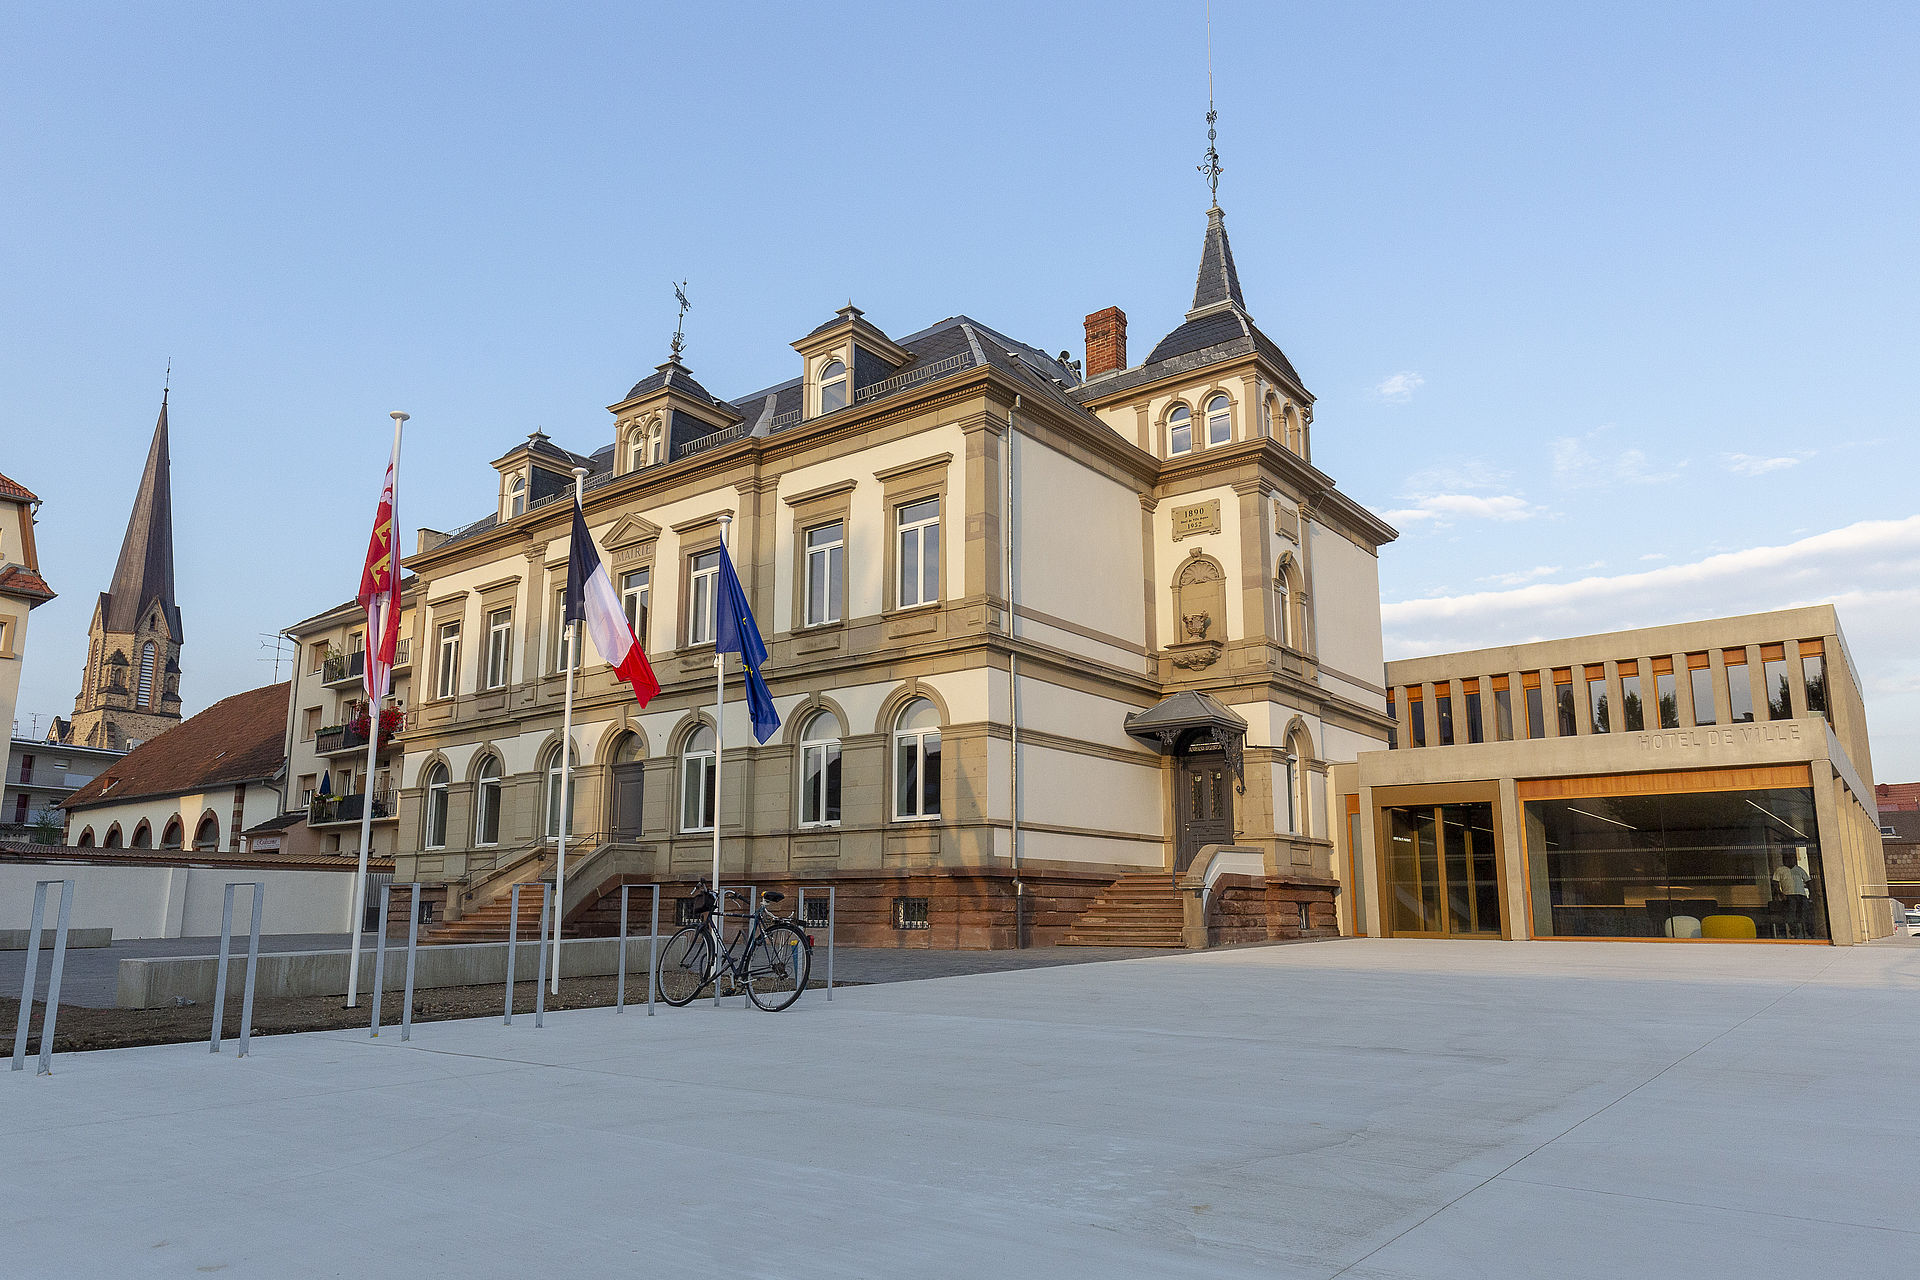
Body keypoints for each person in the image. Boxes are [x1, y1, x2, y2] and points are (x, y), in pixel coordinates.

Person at [1773, 850, 1813, 938]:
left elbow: (1808, 881)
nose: (1789, 860)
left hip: (1801, 895)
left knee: (1805, 914)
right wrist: (1780, 894)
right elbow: (1775, 883)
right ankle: (1794, 933)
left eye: (1791, 858)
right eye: (1787, 858)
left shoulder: (1799, 869)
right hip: (1788, 895)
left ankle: (1809, 933)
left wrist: (1811, 894)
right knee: (1791, 915)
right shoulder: (1780, 870)